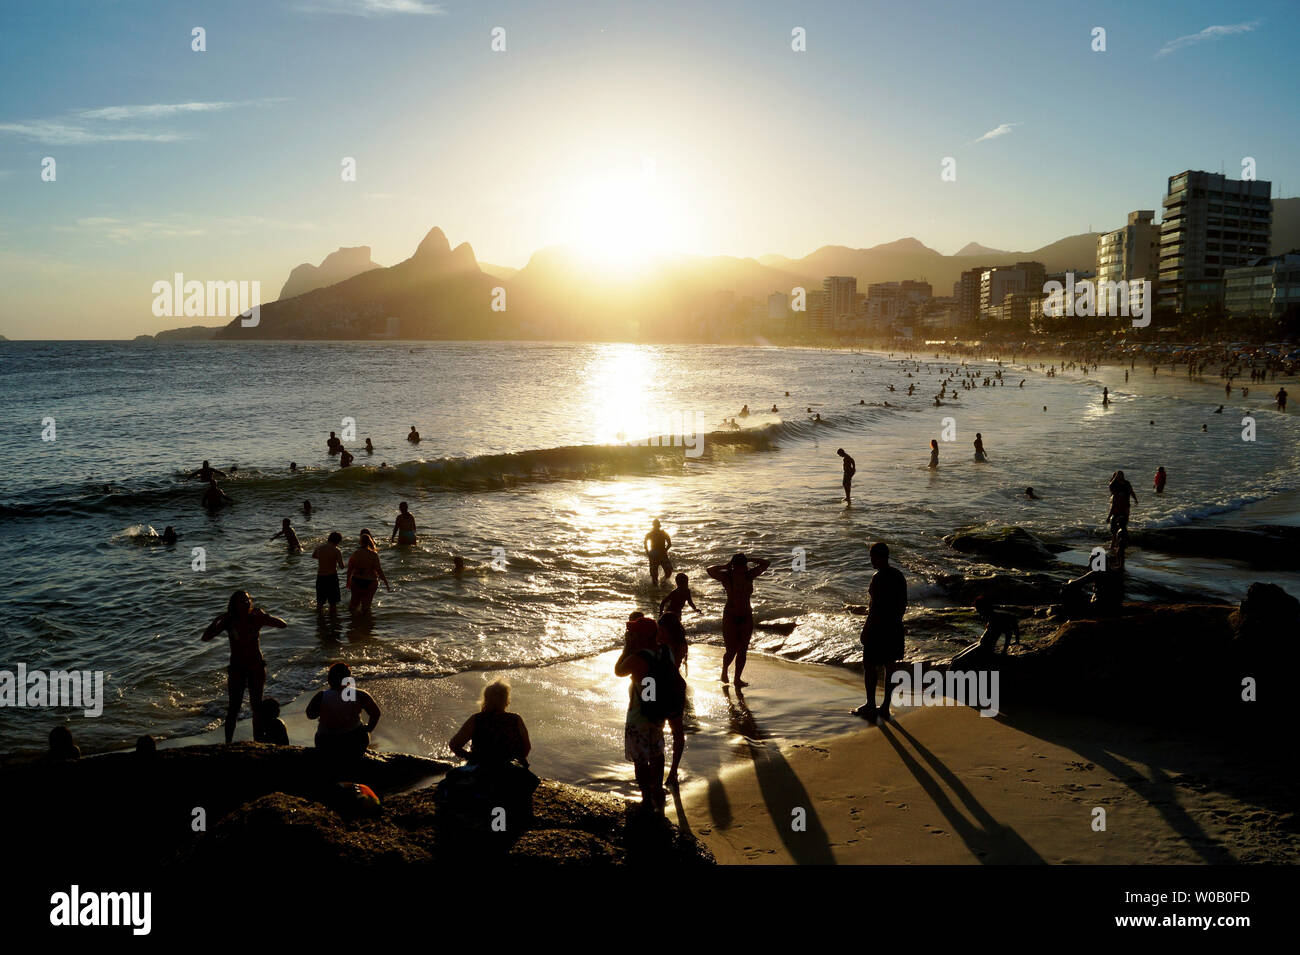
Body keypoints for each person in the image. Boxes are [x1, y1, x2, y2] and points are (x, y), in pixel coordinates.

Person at [201, 590, 287, 743]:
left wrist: (265, 616)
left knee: (256, 708)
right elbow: (206, 637)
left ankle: (258, 741)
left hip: (256, 668)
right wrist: (217, 620)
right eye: (242, 601)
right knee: (233, 708)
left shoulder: (256, 618)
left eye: (248, 600)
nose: (246, 603)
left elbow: (283, 625)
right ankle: (228, 742)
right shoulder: (229, 621)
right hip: (237, 669)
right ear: (234, 604)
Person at [614, 616, 669, 813]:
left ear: (641, 636)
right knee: (657, 754)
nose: (631, 634)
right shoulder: (665, 652)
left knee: (640, 759)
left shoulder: (637, 659)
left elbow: (618, 670)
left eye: (634, 633)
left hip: (639, 716)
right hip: (658, 713)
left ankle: (646, 798)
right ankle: (658, 791)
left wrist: (627, 647)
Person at [853, 542, 906, 722]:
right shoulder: (899, 576)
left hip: (878, 628)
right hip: (895, 627)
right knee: (890, 666)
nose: (871, 560)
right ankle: (884, 706)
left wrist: (866, 630)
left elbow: (874, 608)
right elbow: (902, 605)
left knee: (869, 665)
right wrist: (896, 623)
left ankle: (870, 704)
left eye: (872, 557)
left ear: (880, 557)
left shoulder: (878, 578)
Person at [706, 553, 770, 686]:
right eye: (742, 566)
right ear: (735, 566)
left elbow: (766, 563)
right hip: (730, 616)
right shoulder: (727, 576)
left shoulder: (750, 575)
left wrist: (751, 559)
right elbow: (710, 570)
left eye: (745, 565)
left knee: (743, 650)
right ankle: (724, 671)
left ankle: (737, 679)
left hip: (746, 616)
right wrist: (725, 565)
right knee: (731, 650)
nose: (745, 568)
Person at [306, 662, 381, 760]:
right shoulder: (359, 694)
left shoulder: (321, 696)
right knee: (361, 732)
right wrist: (368, 729)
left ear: (329, 679)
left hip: (326, 741)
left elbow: (310, 715)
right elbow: (376, 713)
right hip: (353, 740)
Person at [448, 679, 531, 766]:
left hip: (482, 767)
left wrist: (471, 757)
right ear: (506, 700)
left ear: (486, 699)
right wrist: (517, 759)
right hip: (509, 767)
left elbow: (454, 745)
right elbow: (527, 747)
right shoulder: (516, 719)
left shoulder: (477, 719)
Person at [657, 573, 699, 675]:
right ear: (677, 583)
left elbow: (690, 602)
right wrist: (661, 614)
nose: (684, 584)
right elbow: (663, 602)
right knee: (670, 631)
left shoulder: (687, 591)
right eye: (681, 583)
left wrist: (695, 608)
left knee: (676, 632)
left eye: (685, 582)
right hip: (670, 613)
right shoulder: (674, 592)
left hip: (678, 614)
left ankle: (675, 649)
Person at [346, 531, 390, 612]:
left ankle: (353, 622)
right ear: (370, 541)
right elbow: (379, 570)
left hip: (356, 580)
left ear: (360, 542)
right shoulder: (373, 554)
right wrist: (386, 582)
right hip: (371, 581)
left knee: (353, 605)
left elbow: (350, 569)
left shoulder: (355, 553)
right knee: (366, 606)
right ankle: (367, 622)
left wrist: (348, 581)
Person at [312, 531, 345, 611]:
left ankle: (320, 620)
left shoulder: (319, 547)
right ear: (337, 541)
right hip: (331, 578)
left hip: (320, 577)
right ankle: (333, 620)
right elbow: (341, 566)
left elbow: (314, 556)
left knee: (320, 602)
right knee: (332, 603)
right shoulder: (336, 550)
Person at [1106, 470, 1138, 544]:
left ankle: (1121, 540)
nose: (1119, 476)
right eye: (1117, 475)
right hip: (1116, 505)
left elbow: (1131, 491)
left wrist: (1135, 499)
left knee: (1123, 523)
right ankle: (1114, 541)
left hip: (1125, 506)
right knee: (1114, 525)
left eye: (1120, 475)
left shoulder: (1127, 483)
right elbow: (1111, 489)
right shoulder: (1113, 484)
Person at [643, 519, 673, 586]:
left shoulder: (663, 533)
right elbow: (645, 544)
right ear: (653, 526)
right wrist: (648, 553)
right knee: (654, 577)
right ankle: (655, 591)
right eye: (655, 525)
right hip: (654, 555)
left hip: (661, 555)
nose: (656, 527)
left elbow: (669, 544)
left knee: (669, 571)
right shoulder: (649, 534)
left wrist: (664, 551)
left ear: (659, 526)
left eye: (657, 525)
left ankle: (663, 581)